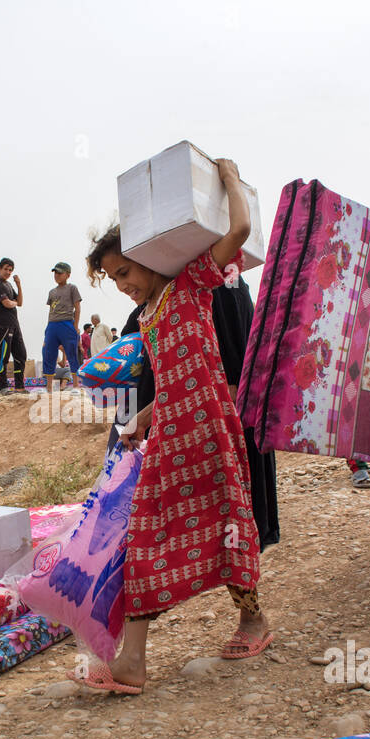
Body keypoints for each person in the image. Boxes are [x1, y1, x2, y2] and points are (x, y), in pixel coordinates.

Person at [75, 158, 267, 695]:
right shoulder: (152, 314)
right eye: (113, 279)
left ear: (150, 258)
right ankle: (132, 662)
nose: (122, 286)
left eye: (125, 272)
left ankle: (253, 620)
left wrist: (228, 178)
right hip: (172, 437)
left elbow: (241, 230)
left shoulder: (193, 282)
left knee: (228, 522)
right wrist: (140, 417)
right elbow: (172, 381)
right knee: (146, 536)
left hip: (210, 430)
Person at [210, 278, 280, 549]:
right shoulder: (235, 282)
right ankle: (257, 532)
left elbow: (230, 343)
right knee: (253, 459)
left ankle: (247, 539)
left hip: (235, 391)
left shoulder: (216, 285)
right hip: (248, 388)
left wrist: (231, 388)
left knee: (244, 462)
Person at [42, 261, 82, 391]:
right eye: (55, 272)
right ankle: (49, 387)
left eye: (60, 273)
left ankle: (75, 385)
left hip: (67, 323)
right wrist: (47, 329)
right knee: (49, 354)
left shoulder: (72, 288)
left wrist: (75, 326)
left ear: (68, 274)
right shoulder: (51, 292)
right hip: (52, 325)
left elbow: (77, 307)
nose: (57, 275)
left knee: (72, 354)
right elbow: (50, 311)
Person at [0, 258, 27, 394]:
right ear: (0, 269)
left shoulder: (9, 285)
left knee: (21, 354)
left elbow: (20, 302)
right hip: (3, 325)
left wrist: (18, 284)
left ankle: (19, 386)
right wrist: (14, 302)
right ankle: (3, 386)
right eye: (6, 269)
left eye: (10, 270)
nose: (8, 272)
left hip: (14, 324)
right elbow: (6, 303)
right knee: (3, 356)